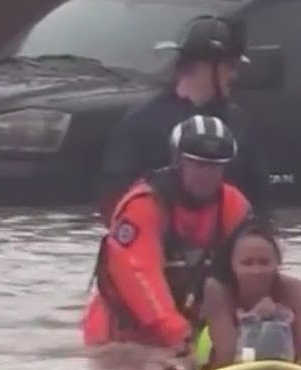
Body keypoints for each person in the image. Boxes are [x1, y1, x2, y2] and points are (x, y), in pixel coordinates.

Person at [82, 114, 253, 352]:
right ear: (178, 162)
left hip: (191, 329)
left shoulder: (234, 207)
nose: (206, 174)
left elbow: (254, 270)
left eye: (215, 166)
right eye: (198, 164)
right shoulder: (144, 205)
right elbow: (139, 275)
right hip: (122, 336)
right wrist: (177, 334)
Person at [99, 16, 271, 221]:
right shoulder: (142, 123)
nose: (234, 75)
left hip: (224, 241)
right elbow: (114, 197)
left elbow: (260, 203)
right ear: (206, 65)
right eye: (230, 66)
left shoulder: (239, 125)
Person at [192, 217, 301, 370]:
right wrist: (254, 318)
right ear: (233, 265)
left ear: (277, 264)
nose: (256, 271)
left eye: (264, 262)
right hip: (218, 355)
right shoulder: (217, 290)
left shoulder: (295, 290)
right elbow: (227, 359)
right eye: (247, 263)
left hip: (281, 356)